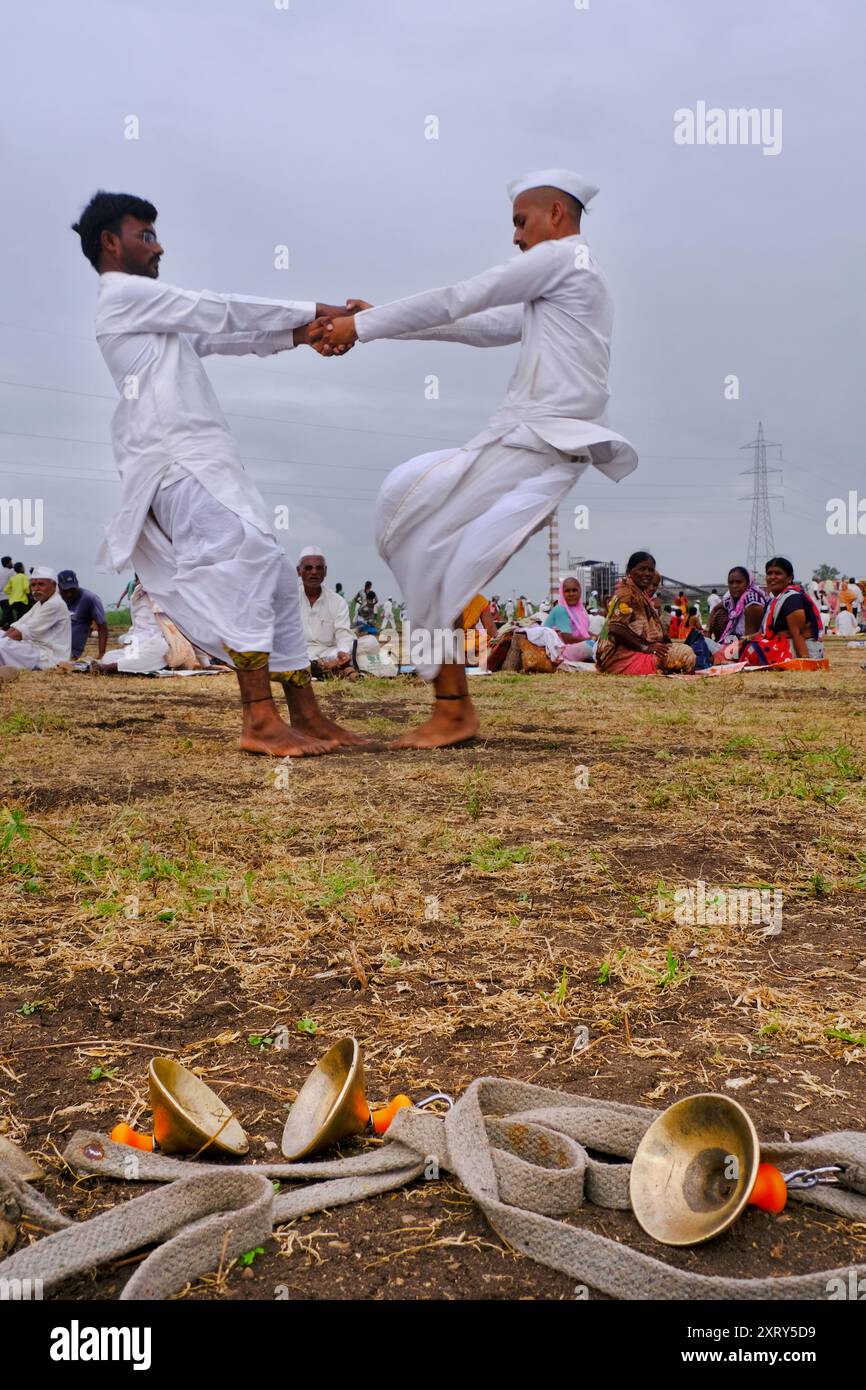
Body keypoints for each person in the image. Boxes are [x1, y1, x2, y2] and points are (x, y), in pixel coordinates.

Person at [314, 168, 637, 747]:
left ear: (556, 216)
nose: (515, 237)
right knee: (418, 531)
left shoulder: (564, 259)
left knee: (417, 532)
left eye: (521, 221)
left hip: (536, 438)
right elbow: (481, 325)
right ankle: (451, 702)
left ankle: (451, 707)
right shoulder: (573, 278)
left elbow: (460, 296)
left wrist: (359, 326)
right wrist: (384, 319)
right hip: (532, 440)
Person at [72, 189, 364, 756]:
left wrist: (304, 335)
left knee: (275, 576)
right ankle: (259, 720)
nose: (160, 247)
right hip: (176, 462)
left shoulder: (151, 311)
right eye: (146, 235)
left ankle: (307, 713)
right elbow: (219, 309)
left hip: (205, 460)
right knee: (244, 567)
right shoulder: (125, 295)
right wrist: (323, 313)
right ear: (111, 243)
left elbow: (223, 334)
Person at [595, 551, 695, 675]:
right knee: (685, 655)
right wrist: (646, 647)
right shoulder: (627, 595)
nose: (647, 574)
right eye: (642, 569)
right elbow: (616, 627)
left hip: (632, 653)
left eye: (650, 570)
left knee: (686, 651)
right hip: (620, 659)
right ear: (629, 571)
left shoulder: (637, 592)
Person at [297, 547, 355, 677]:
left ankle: (321, 667)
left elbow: (343, 633)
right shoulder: (288, 599)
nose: (314, 572)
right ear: (298, 571)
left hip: (328, 654)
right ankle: (333, 669)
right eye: (308, 568)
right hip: (296, 654)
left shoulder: (337, 601)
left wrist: (343, 653)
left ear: (325, 572)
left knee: (369, 644)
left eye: (319, 568)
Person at [0, 567, 71, 669]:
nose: (36, 589)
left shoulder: (55, 604)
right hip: (35, 649)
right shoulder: (40, 603)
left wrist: (3, 642)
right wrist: (3, 639)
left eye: (41, 584)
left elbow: (22, 633)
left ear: (54, 585)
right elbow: (17, 625)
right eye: (33, 585)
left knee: (2, 646)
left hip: (48, 657)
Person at [755, 556, 824, 660]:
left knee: (751, 649)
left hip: (798, 652)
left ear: (789, 578)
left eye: (778, 573)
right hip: (781, 648)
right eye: (769, 573)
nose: (772, 577)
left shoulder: (792, 599)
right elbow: (763, 633)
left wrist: (805, 660)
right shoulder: (773, 600)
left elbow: (798, 634)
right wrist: (745, 639)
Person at [57, 569, 109, 660]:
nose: (69, 594)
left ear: (77, 584)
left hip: (71, 650)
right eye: (66, 591)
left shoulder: (90, 599)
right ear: (59, 587)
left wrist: (101, 654)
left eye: (73, 590)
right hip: (51, 645)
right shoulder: (54, 599)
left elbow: (102, 626)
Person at [708, 567, 766, 646]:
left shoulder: (752, 602)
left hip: (748, 646)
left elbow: (748, 642)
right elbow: (715, 609)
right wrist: (707, 630)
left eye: (738, 582)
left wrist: (725, 652)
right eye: (731, 583)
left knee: (705, 650)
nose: (734, 586)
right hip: (735, 640)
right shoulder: (732, 601)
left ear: (748, 583)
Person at [540, 577, 593, 662]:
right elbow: (568, 639)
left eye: (574, 590)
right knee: (591, 645)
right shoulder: (560, 610)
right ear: (562, 593)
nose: (571, 594)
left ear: (580, 591)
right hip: (559, 651)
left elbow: (583, 631)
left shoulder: (580, 609)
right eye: (567, 591)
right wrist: (591, 638)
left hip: (571, 647)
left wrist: (597, 636)